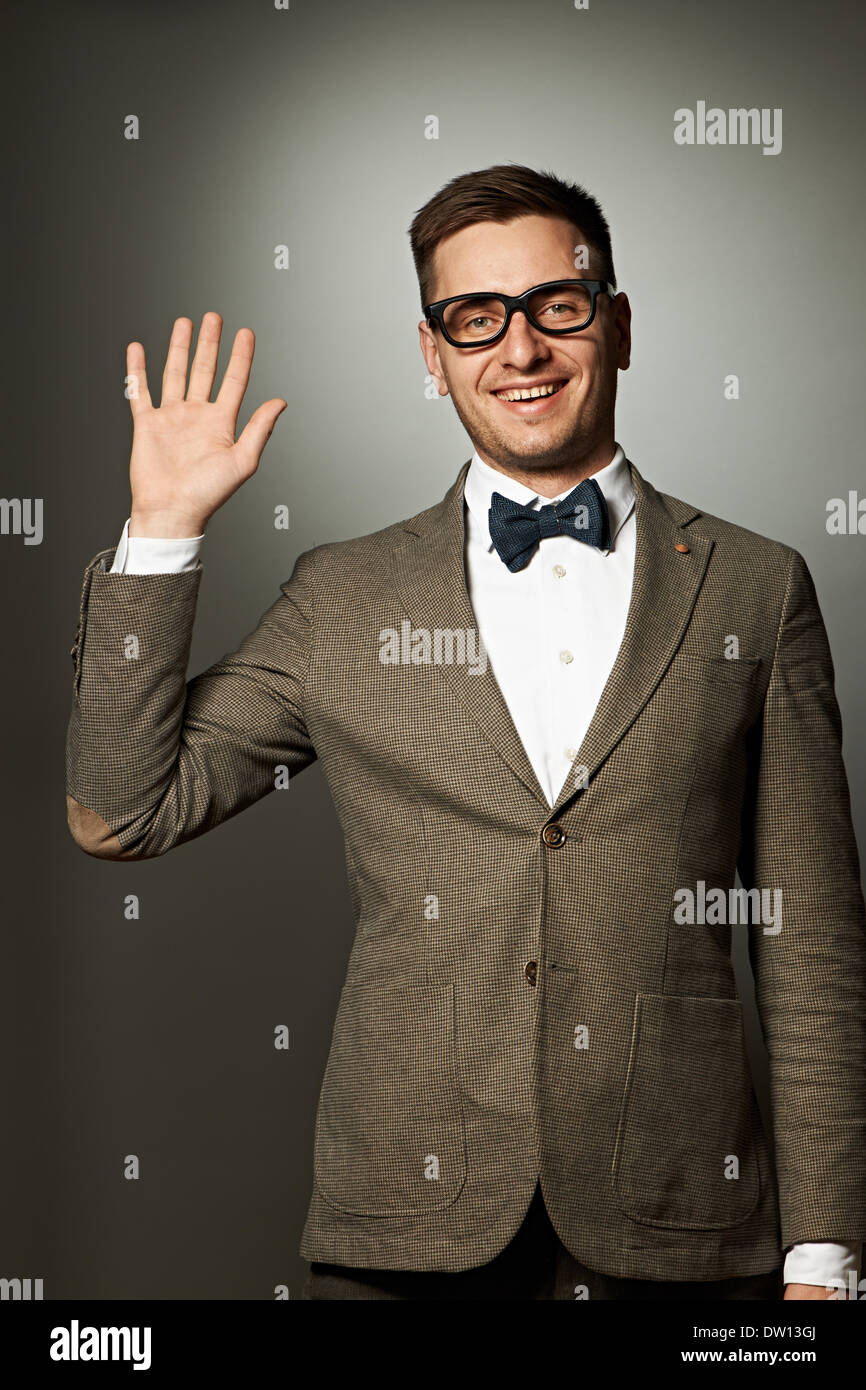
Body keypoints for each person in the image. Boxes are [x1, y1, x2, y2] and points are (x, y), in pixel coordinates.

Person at [65, 164, 865, 1300]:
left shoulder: (755, 587)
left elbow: (809, 945)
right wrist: (161, 530)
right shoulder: (337, 596)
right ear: (432, 357)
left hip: (682, 1226)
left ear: (618, 324)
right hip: (402, 1229)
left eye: (558, 304)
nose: (521, 349)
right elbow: (120, 811)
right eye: (474, 318)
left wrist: (824, 1254)